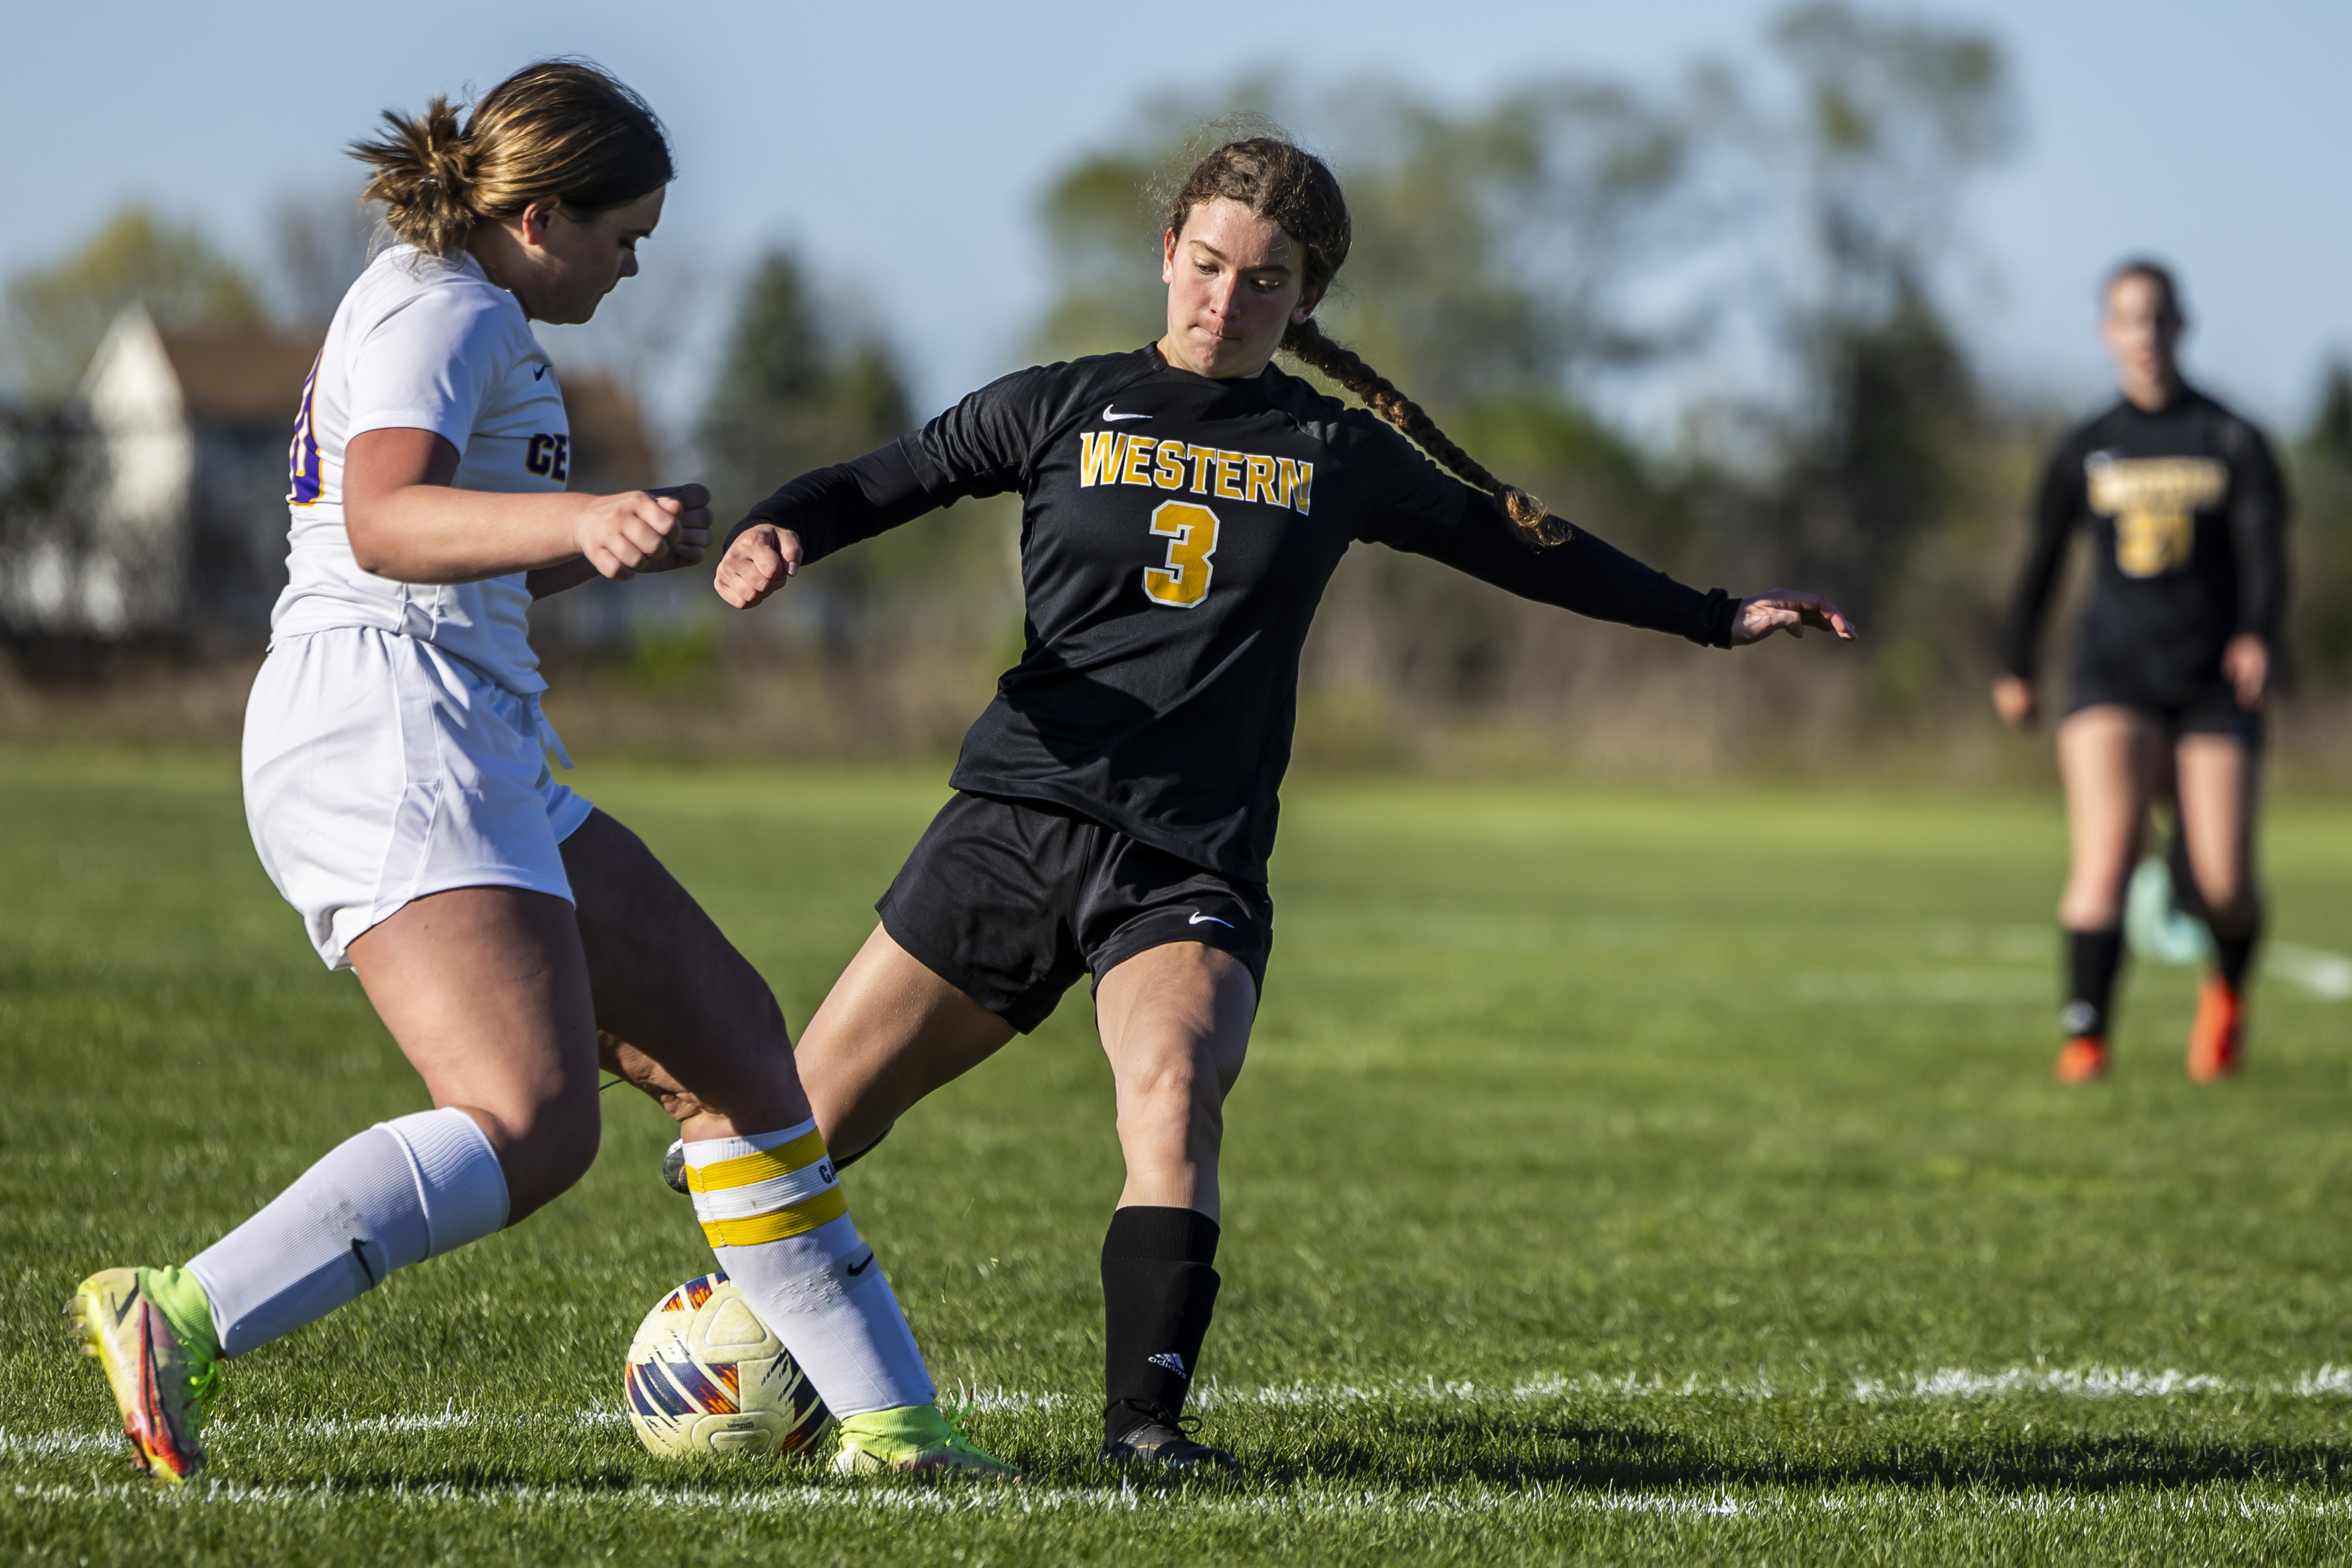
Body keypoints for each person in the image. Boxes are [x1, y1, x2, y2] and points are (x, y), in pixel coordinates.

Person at [705, 135, 1855, 1472]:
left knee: (1175, 1089)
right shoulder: (1063, 404)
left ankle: (1143, 1425)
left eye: (1265, 281)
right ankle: (745, 1346)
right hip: (1015, 818)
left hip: (1190, 850)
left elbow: (1521, 545)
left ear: (1306, 300)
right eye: (1205, 266)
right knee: (800, 1128)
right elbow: (881, 474)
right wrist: (781, 525)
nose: (1224, 299)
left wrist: (1712, 616)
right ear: (1166, 255)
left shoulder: (1330, 447)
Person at [64, 60, 1011, 1484]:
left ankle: (896, 1435)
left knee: (738, 1047)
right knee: (527, 1117)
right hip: (388, 728)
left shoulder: (468, 307)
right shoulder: (438, 305)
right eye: (622, 233)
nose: (635, 265)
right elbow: (382, 522)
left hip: (459, 719)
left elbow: (448, 558)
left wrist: (598, 541)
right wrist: (584, 509)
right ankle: (177, 1312)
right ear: (536, 213)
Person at [1995, 260, 2287, 1085]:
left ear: (2179, 326)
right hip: (2110, 676)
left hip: (2208, 685)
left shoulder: (2231, 439)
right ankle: (2085, 1037)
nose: (2145, 335)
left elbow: (2266, 558)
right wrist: (2015, 663)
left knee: (2223, 885)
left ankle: (2226, 992)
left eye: (2157, 318)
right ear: (2106, 332)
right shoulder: (2085, 447)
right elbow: (2041, 564)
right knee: (2103, 860)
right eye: (2128, 319)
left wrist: (2255, 633)